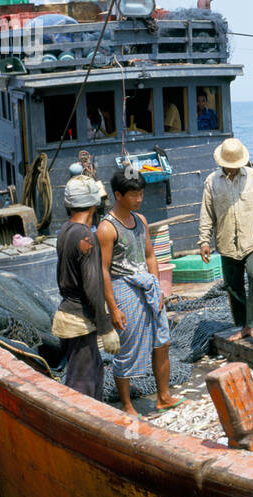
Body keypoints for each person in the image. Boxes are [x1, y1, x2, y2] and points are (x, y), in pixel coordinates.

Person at [98, 167, 182, 416]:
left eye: (141, 194)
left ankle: (163, 396)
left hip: (148, 285)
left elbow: (149, 255)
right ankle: (127, 404)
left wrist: (158, 289)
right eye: (133, 195)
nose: (139, 199)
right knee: (128, 347)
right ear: (118, 195)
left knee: (162, 343)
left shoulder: (141, 220)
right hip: (123, 287)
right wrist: (112, 307)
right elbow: (103, 271)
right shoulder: (106, 228)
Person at [52, 172, 120, 400]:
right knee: (83, 387)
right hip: (79, 321)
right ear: (93, 205)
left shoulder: (65, 231)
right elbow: (92, 289)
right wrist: (106, 328)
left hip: (68, 316)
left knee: (94, 373)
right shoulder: (86, 237)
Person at [198, 138, 253, 342]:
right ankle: (242, 325)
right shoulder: (211, 181)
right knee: (233, 285)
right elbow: (206, 214)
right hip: (226, 241)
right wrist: (204, 241)